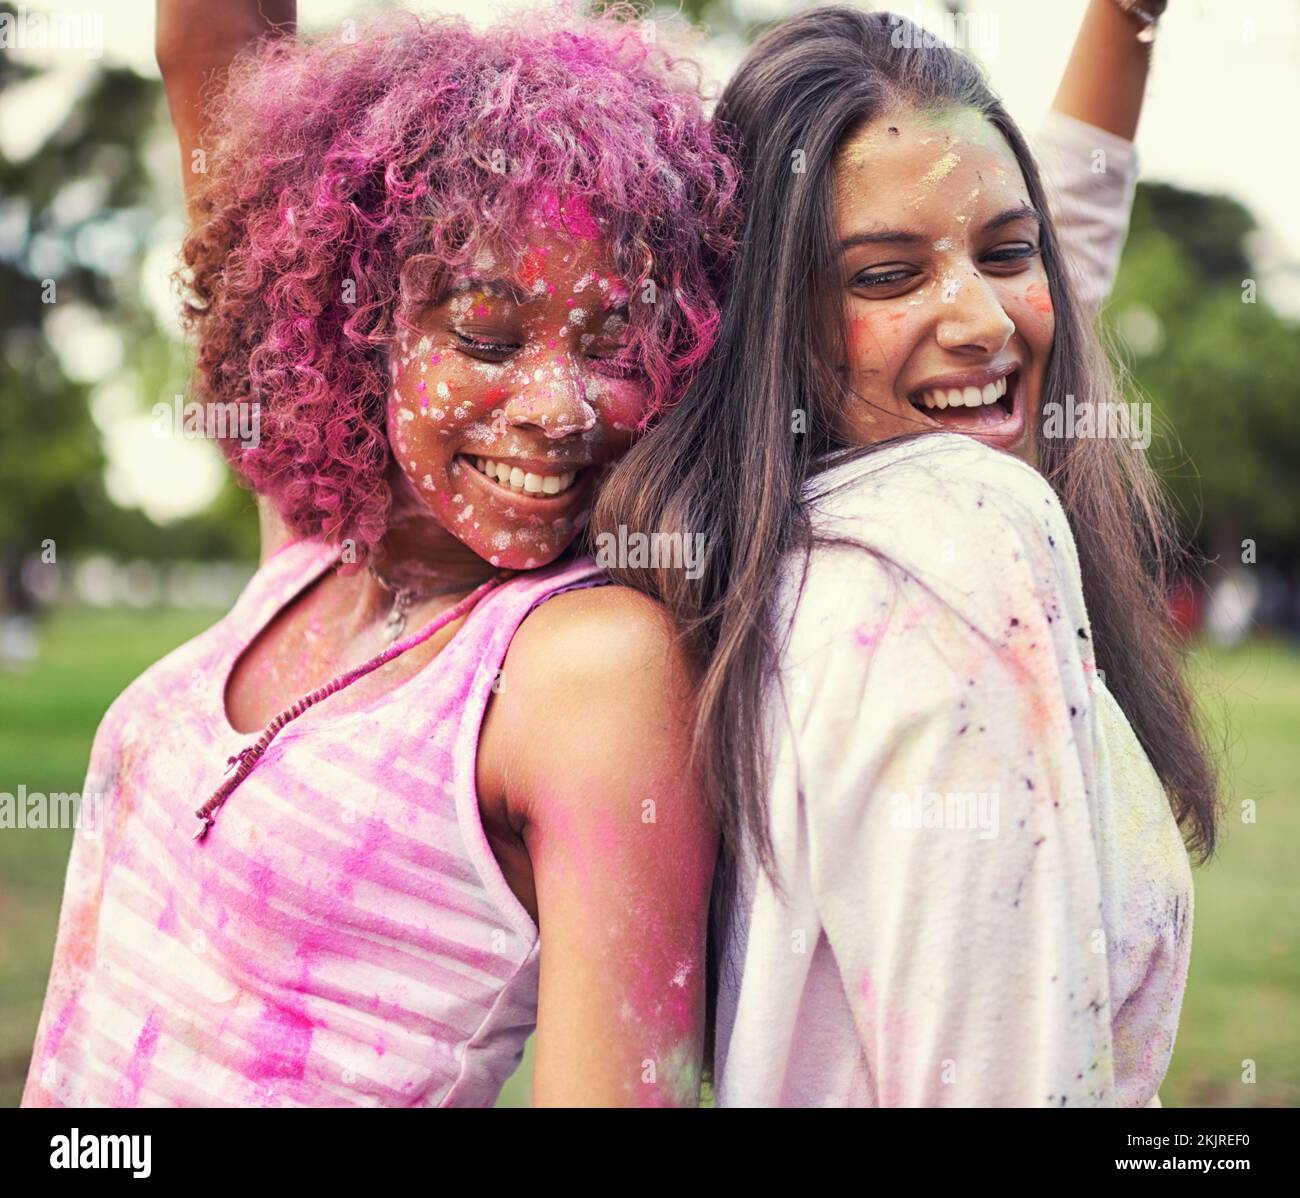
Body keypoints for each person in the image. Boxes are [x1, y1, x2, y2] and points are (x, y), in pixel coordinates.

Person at [22, 8, 735, 1108]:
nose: (560, 405)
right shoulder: (319, 554)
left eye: (614, 343)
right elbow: (215, 40)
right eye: (488, 338)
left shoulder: (587, 668)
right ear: (346, 331)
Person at [591, 1, 1219, 1106]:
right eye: (883, 275)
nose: (983, 320)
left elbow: (1034, 248)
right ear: (767, 312)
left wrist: (1123, 20)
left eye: (1008, 253)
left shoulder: (757, 563)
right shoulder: (954, 543)